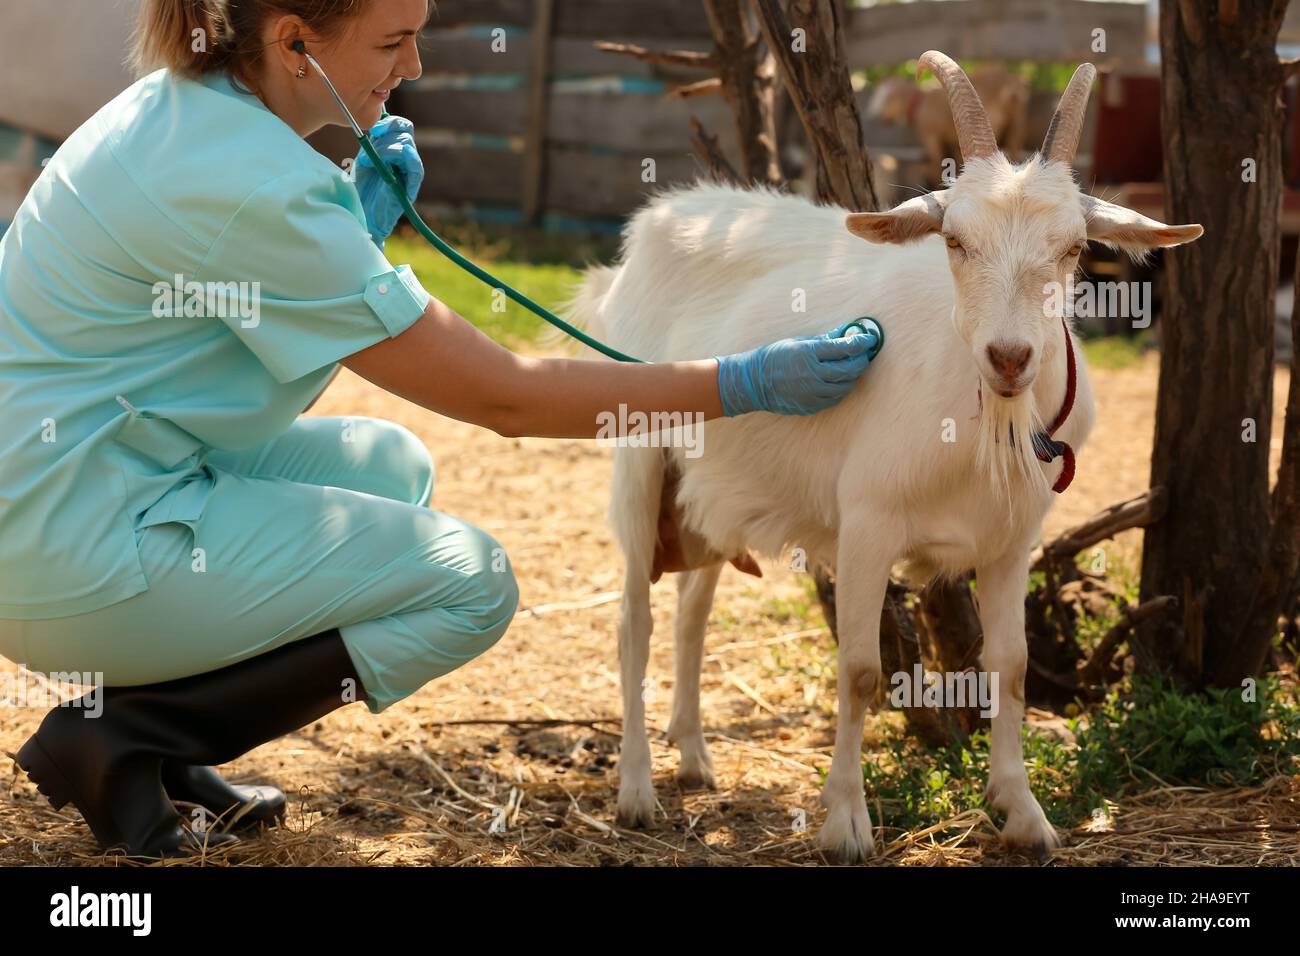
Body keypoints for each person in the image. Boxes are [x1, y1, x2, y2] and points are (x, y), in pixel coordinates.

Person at [0, 0, 880, 859]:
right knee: (472, 585)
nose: (414, 67)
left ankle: (162, 748)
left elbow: (212, 368)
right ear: (295, 41)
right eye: (395, 41)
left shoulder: (183, 108)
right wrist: (745, 382)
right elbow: (506, 398)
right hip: (66, 541)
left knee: (390, 467)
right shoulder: (257, 185)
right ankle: (121, 735)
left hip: (70, 484)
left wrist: (351, 226)